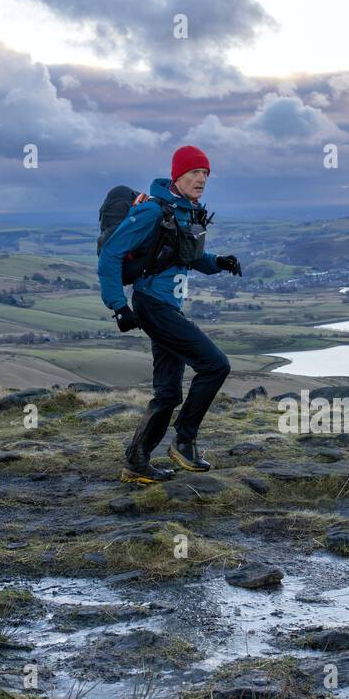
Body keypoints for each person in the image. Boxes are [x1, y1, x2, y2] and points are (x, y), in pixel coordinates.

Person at [97, 145, 243, 484]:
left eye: (205, 173)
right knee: (215, 364)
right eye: (194, 172)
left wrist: (217, 262)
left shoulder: (184, 212)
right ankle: (183, 441)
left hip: (167, 307)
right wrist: (119, 306)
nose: (201, 179)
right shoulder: (152, 212)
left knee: (167, 393)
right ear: (177, 175)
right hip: (153, 305)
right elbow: (111, 257)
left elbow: (183, 257)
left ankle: (136, 463)